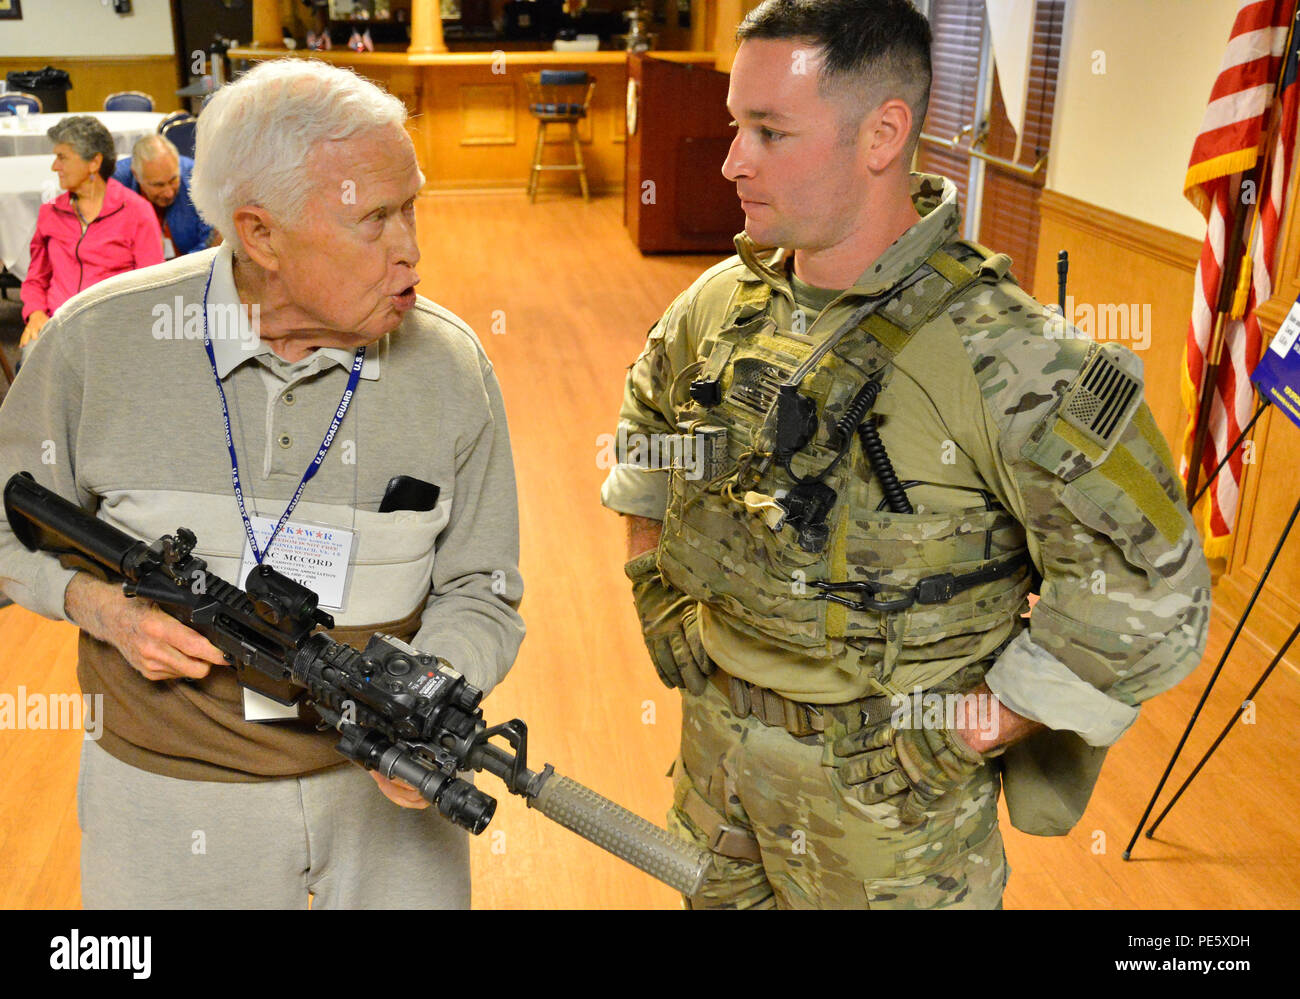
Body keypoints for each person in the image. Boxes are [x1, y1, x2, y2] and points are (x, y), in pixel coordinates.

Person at [600, 0, 1211, 909]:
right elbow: (648, 430)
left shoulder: (1012, 356)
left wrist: (961, 734)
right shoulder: (720, 306)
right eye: (738, 126)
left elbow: (1150, 585)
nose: (732, 160)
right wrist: (656, 592)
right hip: (714, 771)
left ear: (883, 133)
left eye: (770, 131)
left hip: (887, 819)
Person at [0, 59, 524, 908]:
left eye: (413, 207)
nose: (412, 249)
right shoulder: (96, 342)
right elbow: (4, 521)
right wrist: (95, 604)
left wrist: (424, 697)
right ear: (261, 233)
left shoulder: (451, 366)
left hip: (386, 805)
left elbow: (483, 589)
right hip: (167, 796)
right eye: (375, 219)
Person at [20, 115, 163, 349]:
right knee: (34, 360)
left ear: (94, 163)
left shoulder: (136, 212)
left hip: (114, 330)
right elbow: (36, 280)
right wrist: (35, 313)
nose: (55, 166)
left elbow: (151, 287)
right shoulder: (50, 212)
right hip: (57, 327)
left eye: (62, 157)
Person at [113, 133, 215, 258]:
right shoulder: (116, 183)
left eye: (173, 180)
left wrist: (181, 269)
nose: (169, 193)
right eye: (158, 185)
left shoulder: (195, 176)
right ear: (136, 175)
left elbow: (210, 238)